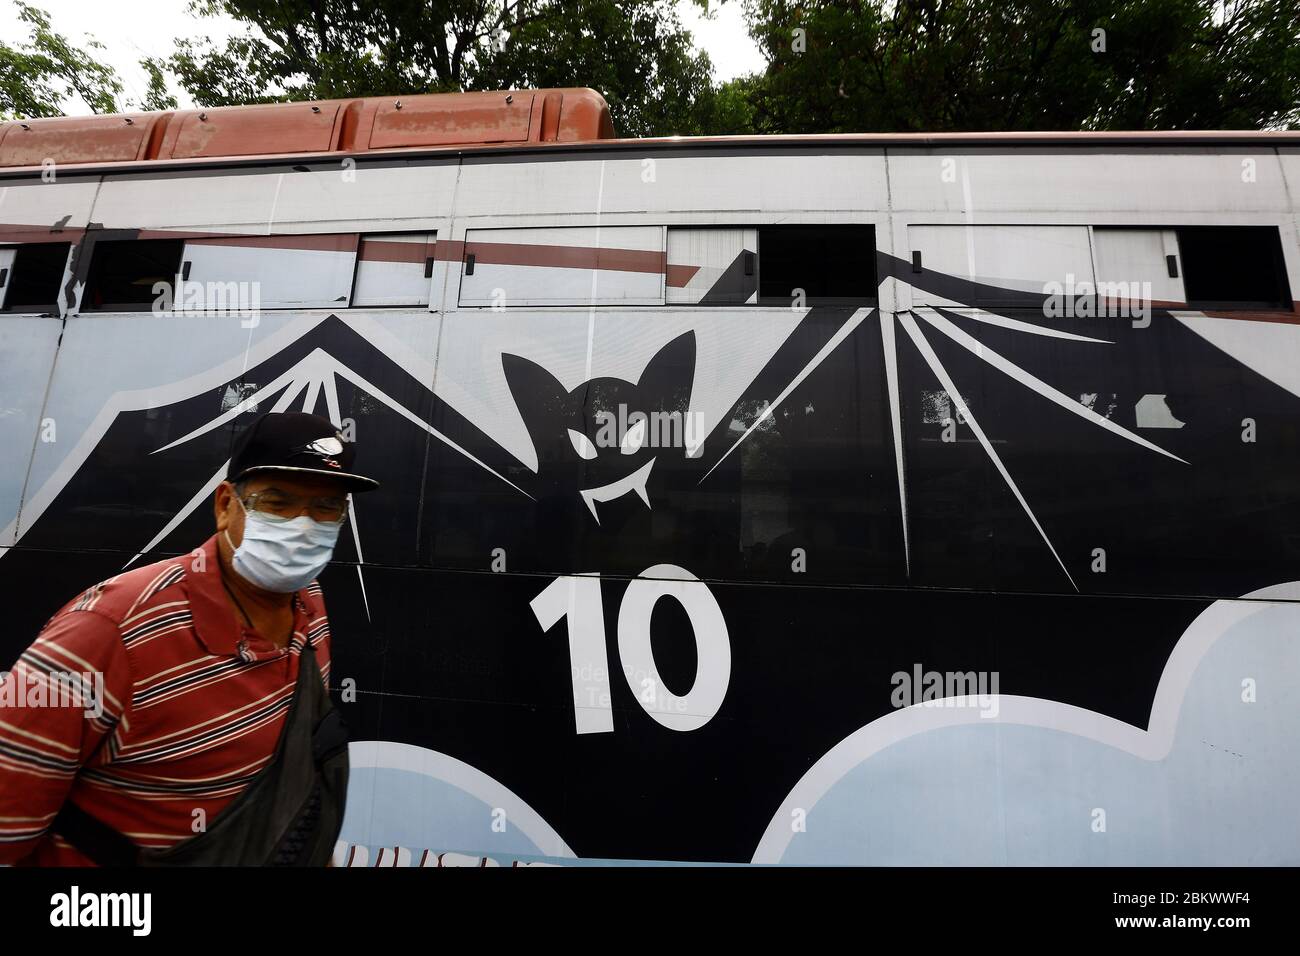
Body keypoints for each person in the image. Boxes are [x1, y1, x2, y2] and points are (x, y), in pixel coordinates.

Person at [0, 411, 378, 865]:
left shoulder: (309, 607)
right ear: (224, 506)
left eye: (326, 508)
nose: (304, 527)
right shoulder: (109, 629)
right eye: (278, 503)